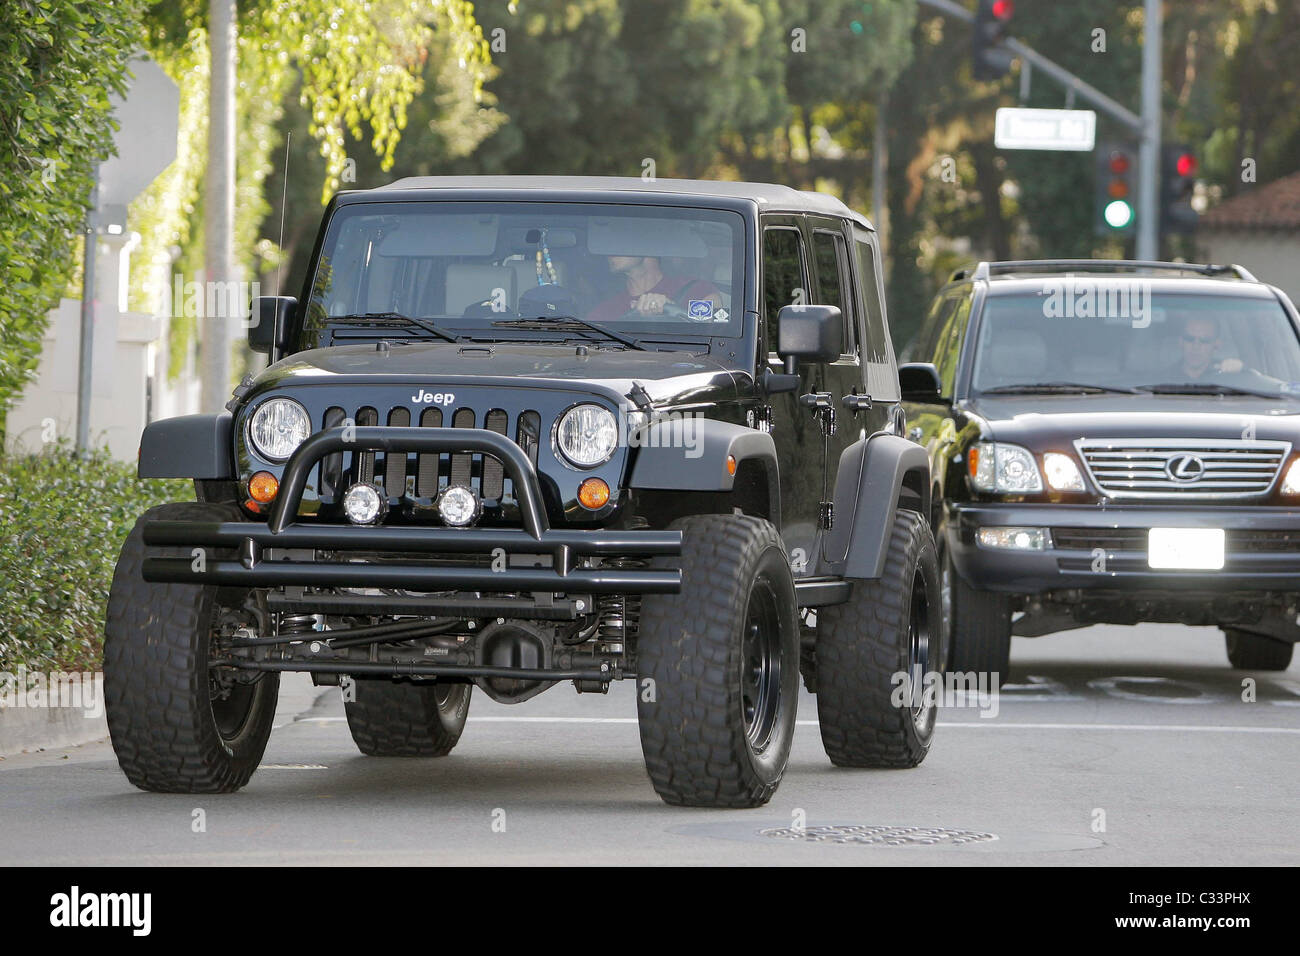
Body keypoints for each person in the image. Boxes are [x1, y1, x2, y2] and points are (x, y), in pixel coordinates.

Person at [586, 255, 722, 323]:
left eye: (620, 241)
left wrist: (672, 312)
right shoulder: (605, 311)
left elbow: (718, 330)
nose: (609, 250)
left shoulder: (697, 290)